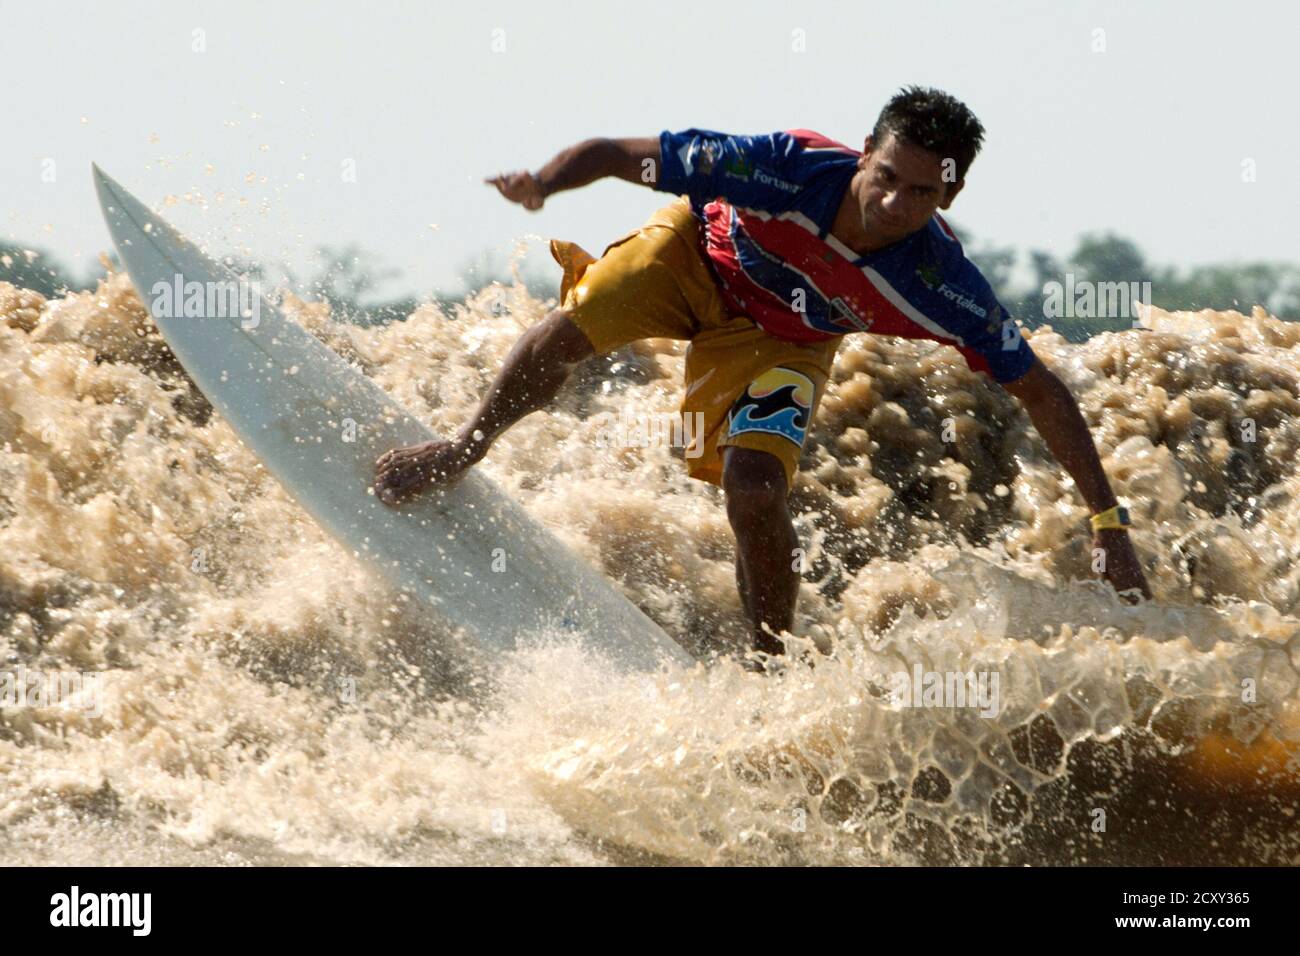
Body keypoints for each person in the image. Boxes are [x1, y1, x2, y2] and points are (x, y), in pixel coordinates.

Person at [374, 85, 1153, 661]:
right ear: (866, 152)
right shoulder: (783, 166)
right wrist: (542, 183)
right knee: (576, 325)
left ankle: (767, 663)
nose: (892, 201)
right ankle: (465, 447)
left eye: (922, 191)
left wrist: (1109, 526)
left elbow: (1040, 390)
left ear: (952, 191)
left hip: (786, 340)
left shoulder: (938, 281)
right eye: (884, 174)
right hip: (693, 258)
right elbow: (617, 155)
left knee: (755, 488)